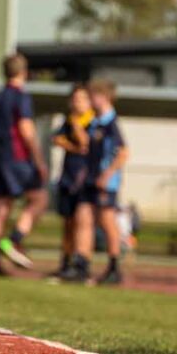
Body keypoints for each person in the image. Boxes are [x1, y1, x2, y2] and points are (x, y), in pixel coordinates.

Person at [0, 53, 46, 275]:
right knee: (39, 199)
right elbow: (26, 131)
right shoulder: (21, 97)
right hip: (18, 158)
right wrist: (39, 161)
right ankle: (13, 240)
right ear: (23, 73)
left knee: (1, 208)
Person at [66, 78, 128, 285]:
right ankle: (81, 264)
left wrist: (107, 174)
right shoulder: (94, 123)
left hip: (104, 183)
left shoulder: (111, 124)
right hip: (90, 180)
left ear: (104, 97)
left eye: (93, 96)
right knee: (83, 217)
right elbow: (86, 147)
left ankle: (113, 266)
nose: (90, 100)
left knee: (107, 221)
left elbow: (123, 153)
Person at [51, 84, 94, 280]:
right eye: (75, 99)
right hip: (67, 177)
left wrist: (76, 128)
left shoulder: (92, 121)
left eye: (82, 99)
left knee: (82, 222)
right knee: (67, 222)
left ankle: (81, 263)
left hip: (84, 179)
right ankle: (66, 261)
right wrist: (71, 145)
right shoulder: (67, 120)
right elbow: (57, 139)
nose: (77, 103)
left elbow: (85, 143)